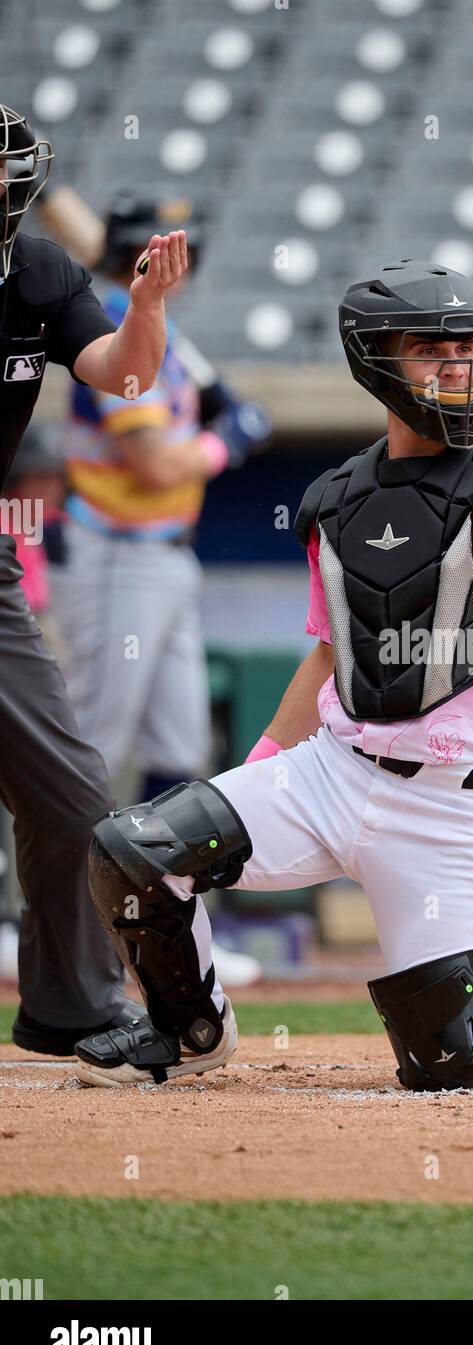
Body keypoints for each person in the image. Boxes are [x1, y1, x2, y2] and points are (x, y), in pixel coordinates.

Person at [73, 257, 473, 1089]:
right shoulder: (333, 500)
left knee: (451, 1064)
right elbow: (330, 656)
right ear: (377, 361)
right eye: (430, 350)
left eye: (468, 349)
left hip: (446, 806)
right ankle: (188, 1029)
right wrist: (257, 778)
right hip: (330, 769)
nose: (457, 367)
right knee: (135, 850)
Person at [0, 103, 188, 1053]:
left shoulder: (38, 273)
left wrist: (145, 307)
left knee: (73, 793)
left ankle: (69, 1002)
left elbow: (122, 377)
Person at [45, 194, 269, 989]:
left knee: (180, 754)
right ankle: (48, 930)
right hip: (115, 557)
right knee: (92, 751)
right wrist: (228, 437)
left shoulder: (161, 335)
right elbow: (156, 465)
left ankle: (177, 937)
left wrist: (218, 414)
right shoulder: (109, 329)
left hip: (169, 558)